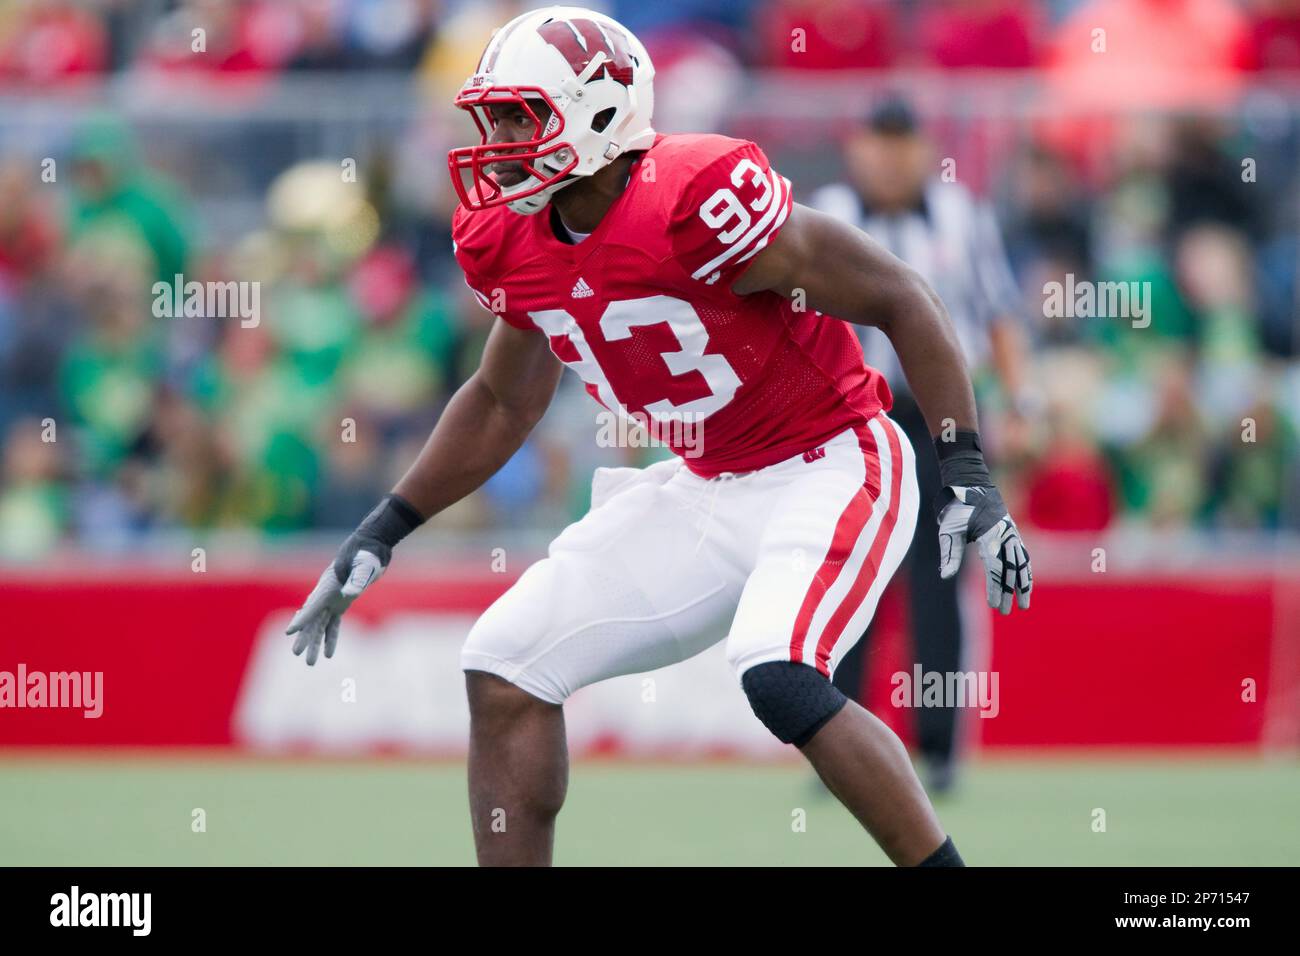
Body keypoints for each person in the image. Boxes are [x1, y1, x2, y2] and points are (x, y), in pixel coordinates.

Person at [285, 6, 1031, 867]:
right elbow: (501, 399)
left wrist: (968, 471)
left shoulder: (695, 197)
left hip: (833, 458)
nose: (496, 140)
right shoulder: (517, 237)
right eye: (492, 117)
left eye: (520, 116)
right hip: (705, 481)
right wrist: (385, 527)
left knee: (776, 670)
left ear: (599, 110)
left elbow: (902, 296)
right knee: (505, 663)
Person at [810, 98, 1034, 794]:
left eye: (902, 144)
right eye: (877, 142)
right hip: (852, 417)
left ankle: (938, 751)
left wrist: (1019, 404)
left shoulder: (963, 216)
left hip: (942, 418)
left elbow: (998, 315)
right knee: (849, 576)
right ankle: (838, 744)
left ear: (922, 148)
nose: (889, 158)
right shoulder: (827, 211)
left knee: (940, 581)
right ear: (856, 148)